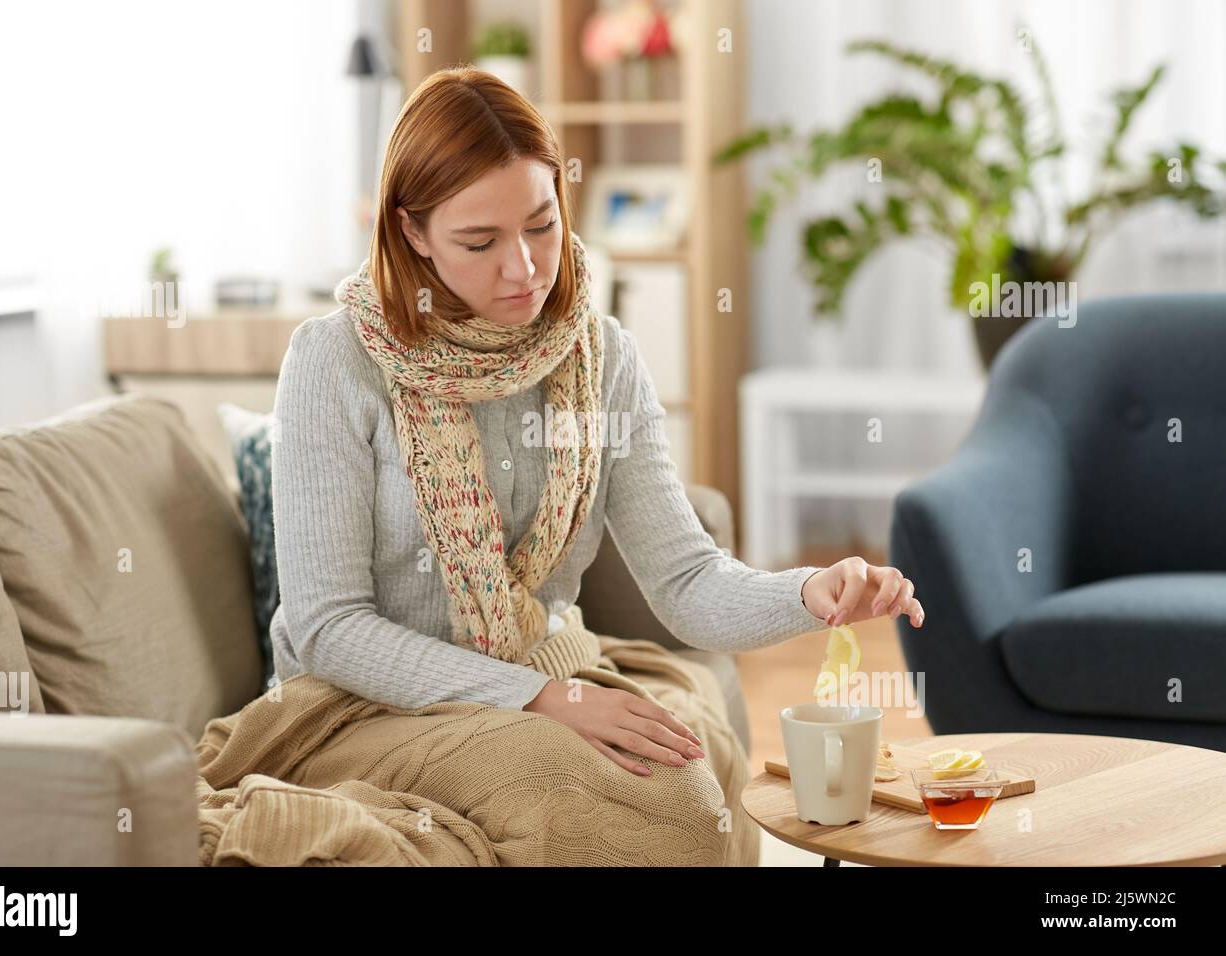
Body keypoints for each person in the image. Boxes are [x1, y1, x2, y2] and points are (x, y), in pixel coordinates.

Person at [252, 66, 924, 866]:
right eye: (480, 241)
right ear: (411, 231)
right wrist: (542, 698)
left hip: (541, 672)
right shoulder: (335, 362)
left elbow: (687, 583)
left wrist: (813, 591)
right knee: (671, 808)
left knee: (692, 775)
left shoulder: (601, 357)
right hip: (363, 708)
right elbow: (329, 629)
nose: (525, 269)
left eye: (540, 225)